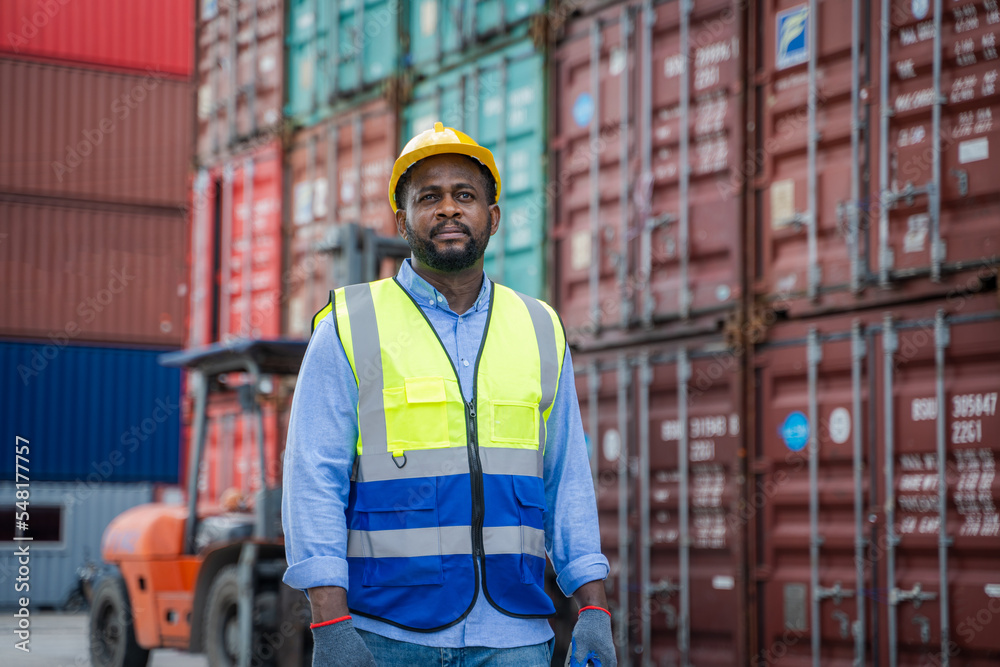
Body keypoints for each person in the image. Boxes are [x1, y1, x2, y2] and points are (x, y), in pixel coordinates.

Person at [281, 122, 615, 667]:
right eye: (428, 197)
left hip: (515, 638)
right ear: (402, 220)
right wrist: (330, 624)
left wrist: (594, 609)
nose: (448, 209)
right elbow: (312, 478)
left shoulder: (538, 327)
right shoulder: (349, 323)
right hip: (386, 635)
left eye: (465, 195)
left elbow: (566, 477)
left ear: (493, 217)